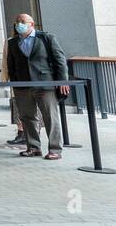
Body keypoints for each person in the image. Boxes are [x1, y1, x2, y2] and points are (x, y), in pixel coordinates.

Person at [5, 13, 69, 160]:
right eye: (17, 22)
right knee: (27, 118)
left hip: (44, 84)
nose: (19, 24)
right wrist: (15, 83)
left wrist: (62, 81)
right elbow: (11, 65)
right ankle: (33, 147)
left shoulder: (46, 38)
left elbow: (60, 60)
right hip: (23, 86)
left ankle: (55, 149)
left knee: (50, 117)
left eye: (22, 21)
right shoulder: (13, 42)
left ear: (32, 24)